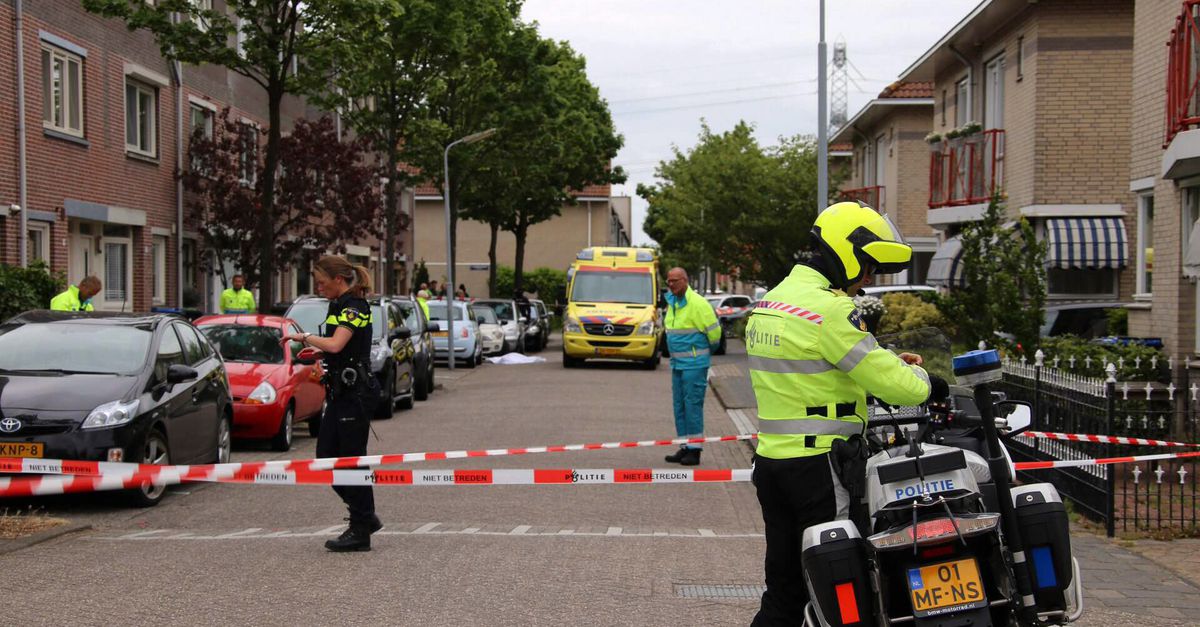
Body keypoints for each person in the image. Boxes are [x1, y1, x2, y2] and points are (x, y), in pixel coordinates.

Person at [746, 202, 931, 625]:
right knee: (840, 588)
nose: (867, 280)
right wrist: (924, 381)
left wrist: (880, 361)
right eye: (867, 267)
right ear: (845, 252)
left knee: (785, 590)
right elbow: (895, 385)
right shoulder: (829, 309)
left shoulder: (772, 302)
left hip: (773, 464)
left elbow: (814, 371)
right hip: (820, 470)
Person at [281, 256, 381, 552]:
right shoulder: (339, 305)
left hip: (356, 394)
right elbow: (340, 350)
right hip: (340, 392)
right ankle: (365, 517)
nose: (319, 287)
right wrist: (318, 352)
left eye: (322, 282)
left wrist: (306, 337)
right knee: (326, 458)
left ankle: (361, 527)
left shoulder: (354, 307)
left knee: (350, 461)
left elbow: (337, 343)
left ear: (339, 280)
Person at [662, 267, 721, 466]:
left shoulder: (698, 304)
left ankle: (694, 450)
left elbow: (715, 335)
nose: (671, 284)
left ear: (685, 280)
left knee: (692, 406)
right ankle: (684, 446)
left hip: (694, 365)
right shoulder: (673, 302)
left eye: (675, 280)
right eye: (669, 281)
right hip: (678, 364)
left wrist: (700, 355)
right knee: (679, 406)